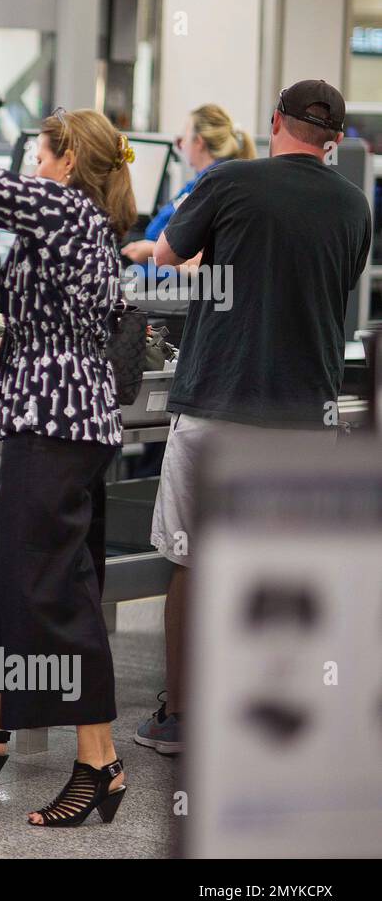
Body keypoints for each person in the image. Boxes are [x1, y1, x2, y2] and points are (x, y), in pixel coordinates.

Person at [142, 79, 371, 755]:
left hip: (219, 400)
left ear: (275, 121)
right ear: (333, 140)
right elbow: (337, 282)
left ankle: (180, 719)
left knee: (190, 559)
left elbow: (165, 256)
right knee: (285, 567)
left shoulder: (229, 180)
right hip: (307, 413)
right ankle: (273, 715)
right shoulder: (355, 205)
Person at [0, 109, 135, 828]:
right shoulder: (87, 231)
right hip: (56, 419)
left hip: (55, 424)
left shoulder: (66, 207)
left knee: (52, 589)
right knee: (10, 583)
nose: (30, 163)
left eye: (37, 152)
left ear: (68, 155)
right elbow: (38, 332)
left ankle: (100, 760)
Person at [120, 103, 255, 271]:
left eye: (183, 137)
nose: (181, 145)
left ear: (198, 142)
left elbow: (212, 265)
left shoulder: (216, 184)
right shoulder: (206, 181)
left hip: (173, 288)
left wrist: (151, 251)